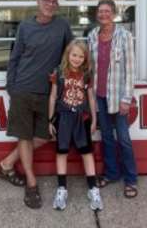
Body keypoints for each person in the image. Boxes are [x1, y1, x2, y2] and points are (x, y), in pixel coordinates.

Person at [0, 0, 74, 209]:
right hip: (22, 89)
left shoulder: (62, 26)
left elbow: (72, 53)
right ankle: (31, 184)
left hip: (48, 93)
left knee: (43, 136)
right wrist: (11, 86)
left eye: (54, 1)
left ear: (57, 6)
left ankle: (6, 164)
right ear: (38, 2)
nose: (50, 3)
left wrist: (64, 77)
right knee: (24, 136)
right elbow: (15, 57)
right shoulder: (25, 26)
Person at [88, 0, 139, 198]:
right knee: (107, 137)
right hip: (99, 96)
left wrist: (127, 98)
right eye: (100, 11)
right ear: (97, 14)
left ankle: (131, 179)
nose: (103, 15)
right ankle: (111, 173)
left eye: (107, 11)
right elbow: (90, 67)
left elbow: (130, 69)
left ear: (114, 13)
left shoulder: (124, 36)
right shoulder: (92, 35)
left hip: (118, 96)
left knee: (124, 139)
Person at [48, 41, 103, 211]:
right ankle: (62, 189)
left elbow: (91, 98)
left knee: (86, 152)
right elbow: (53, 96)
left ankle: (93, 189)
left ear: (85, 58)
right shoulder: (59, 72)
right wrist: (50, 120)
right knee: (61, 152)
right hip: (63, 117)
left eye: (81, 56)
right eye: (74, 55)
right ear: (68, 55)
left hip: (82, 117)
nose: (77, 59)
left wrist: (94, 119)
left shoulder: (86, 74)